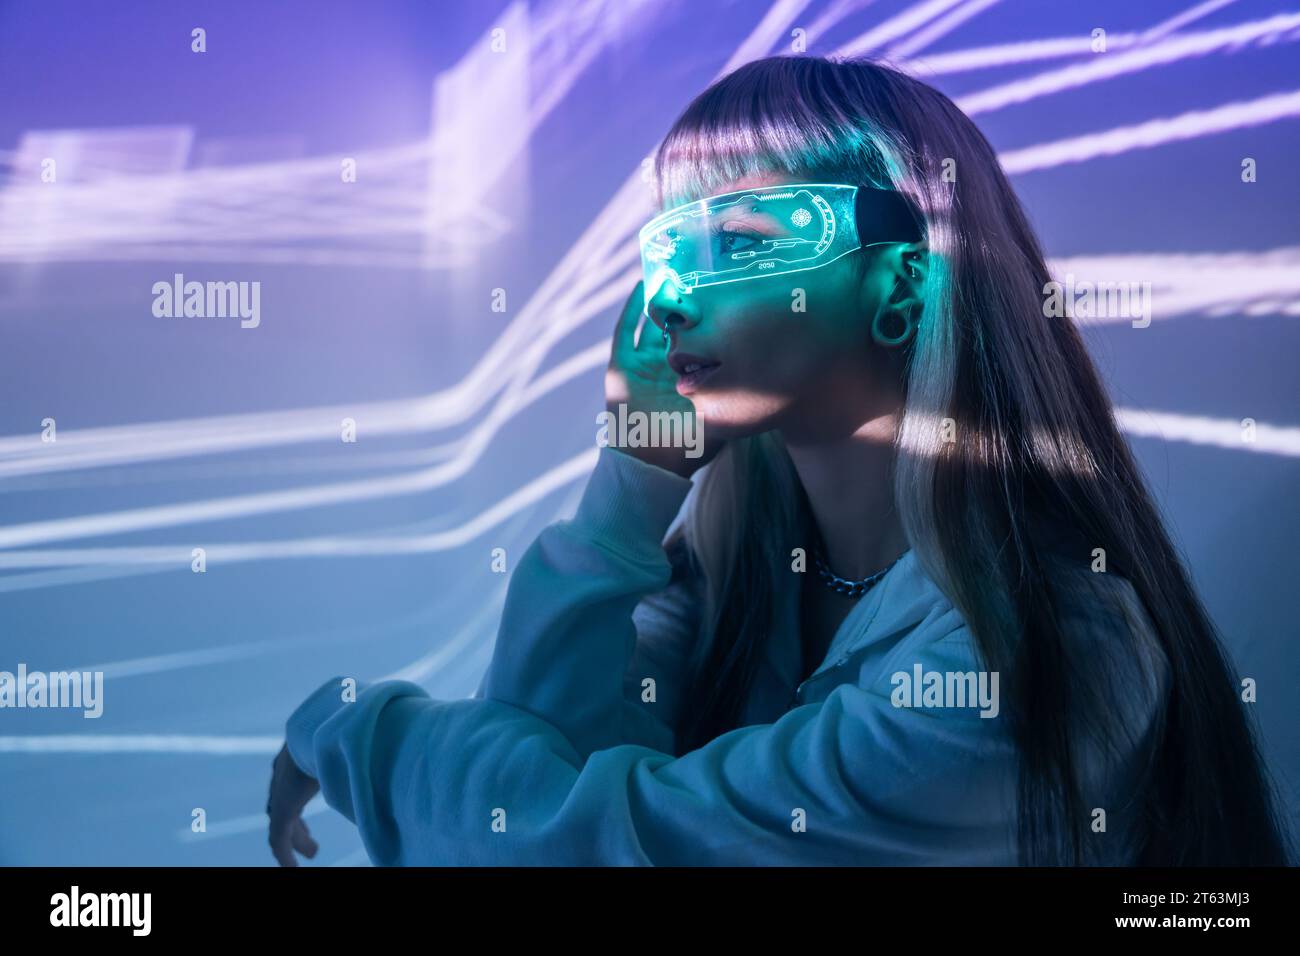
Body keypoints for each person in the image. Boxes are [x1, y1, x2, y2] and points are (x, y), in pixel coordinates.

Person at [267, 54, 1292, 866]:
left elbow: (564, 846)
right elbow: (529, 760)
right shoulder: (715, 601)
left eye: (741, 238)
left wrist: (350, 730)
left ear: (899, 290)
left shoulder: (1040, 652)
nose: (667, 299)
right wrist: (633, 477)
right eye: (666, 249)